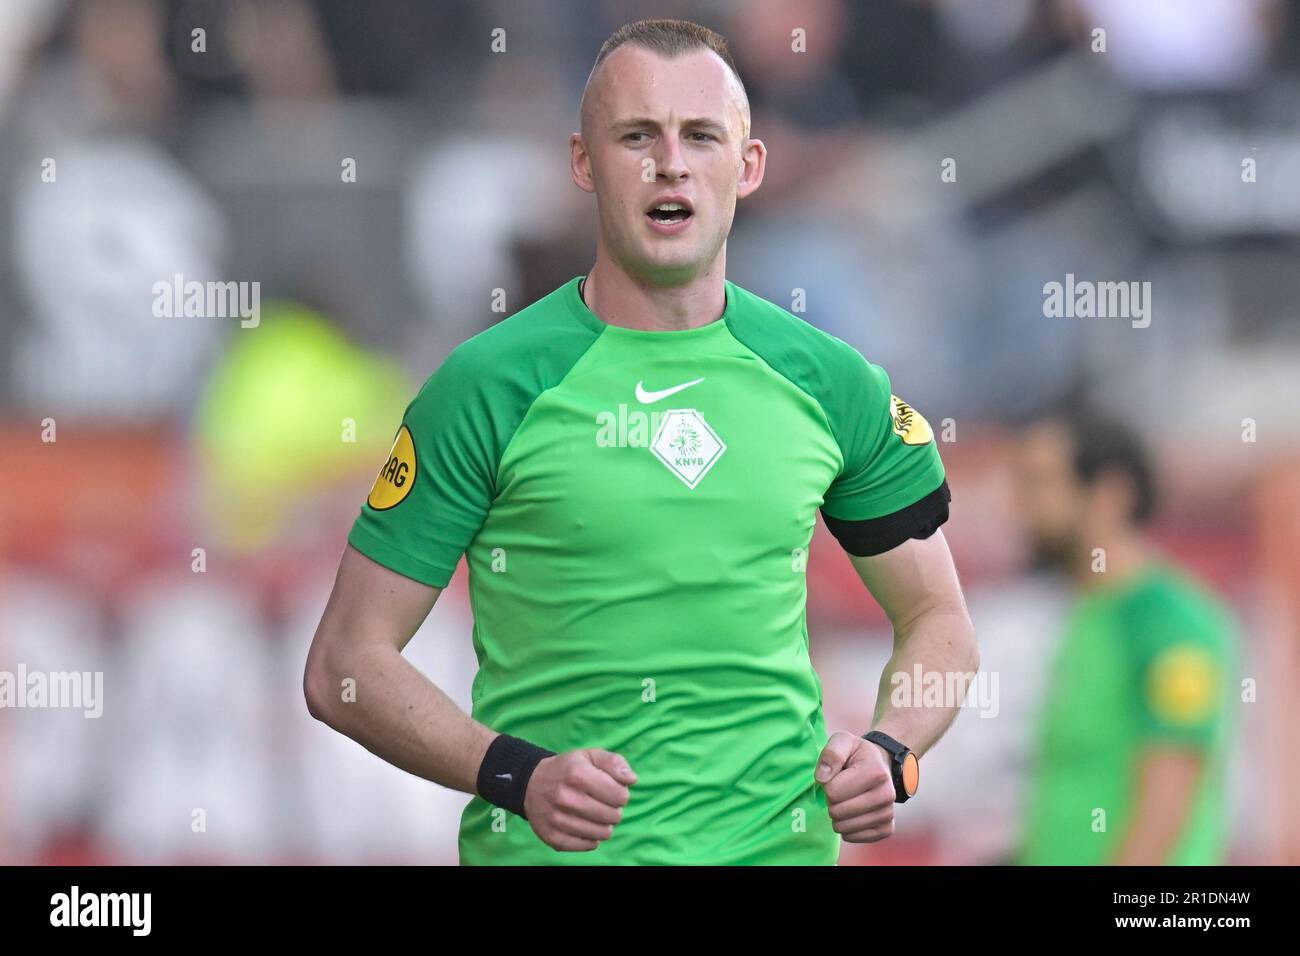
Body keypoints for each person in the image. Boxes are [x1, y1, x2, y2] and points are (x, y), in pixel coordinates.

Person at [305, 17, 977, 865]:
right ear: (583, 163)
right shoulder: (486, 387)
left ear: (750, 164)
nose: (672, 163)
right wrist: (516, 775)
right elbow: (344, 665)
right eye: (636, 137)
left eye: (702, 135)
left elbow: (939, 619)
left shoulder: (831, 383)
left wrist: (894, 749)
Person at [1016, 412, 1239, 864]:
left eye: (1041, 484)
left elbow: (1169, 794)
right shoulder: (1088, 613)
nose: (1023, 506)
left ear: (1109, 496)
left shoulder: (1173, 625)